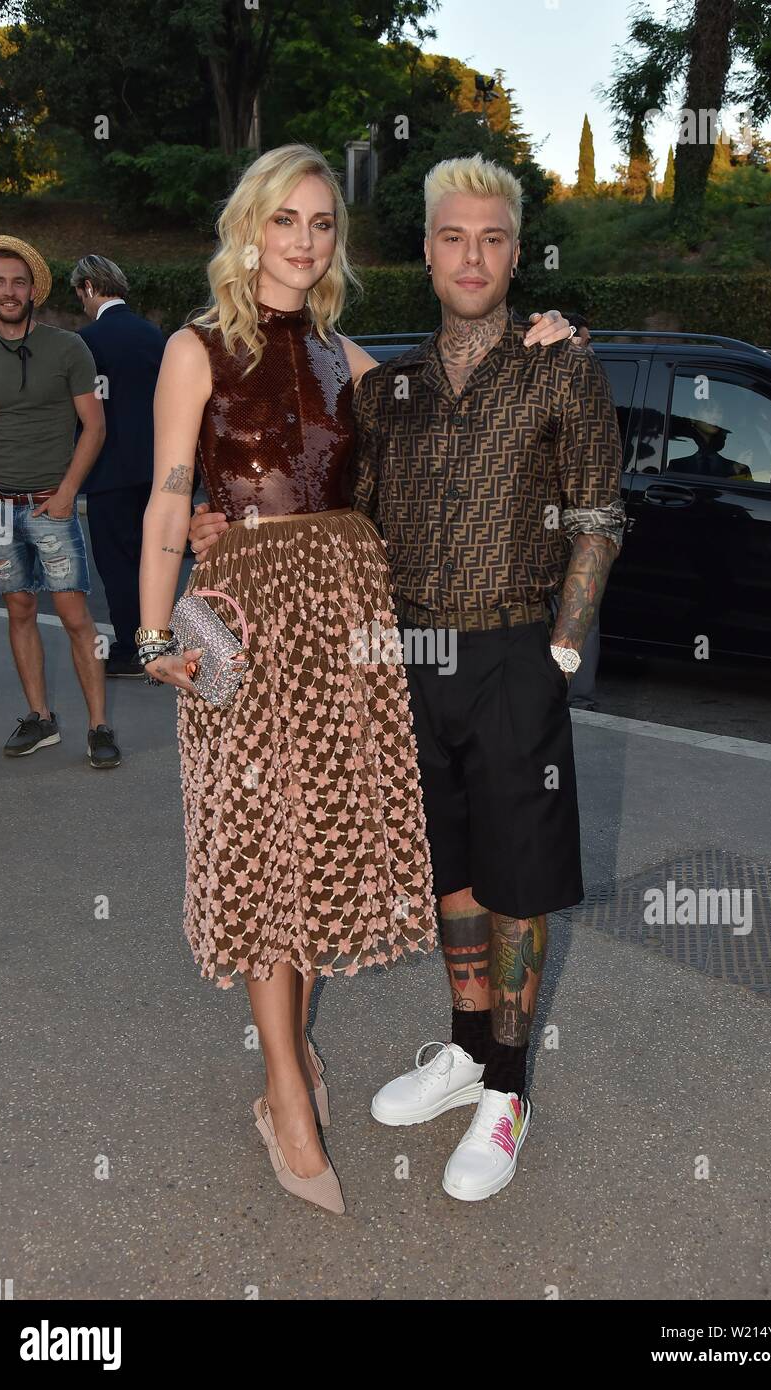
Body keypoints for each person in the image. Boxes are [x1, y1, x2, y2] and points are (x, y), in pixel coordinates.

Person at [189, 153, 623, 1203]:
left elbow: (598, 512)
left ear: (516, 253)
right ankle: (466, 1047)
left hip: (517, 649)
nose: (472, 256)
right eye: (451, 237)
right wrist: (227, 524)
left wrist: (564, 643)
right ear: (426, 252)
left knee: (520, 876)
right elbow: (345, 511)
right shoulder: (388, 386)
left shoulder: (561, 365)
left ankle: (508, 1089)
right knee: (452, 867)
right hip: (403, 655)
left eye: (492, 238)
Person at [0, 235, 122, 768]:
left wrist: (65, 494)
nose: (9, 291)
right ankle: (40, 718)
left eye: (18, 282)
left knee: (77, 617)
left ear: (33, 289)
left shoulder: (69, 347)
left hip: (49, 504)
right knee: (19, 609)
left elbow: (95, 426)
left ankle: (100, 727)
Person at [74, 254, 165, 676]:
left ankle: (132, 648)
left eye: (79, 293)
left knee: (117, 563)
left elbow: (79, 412)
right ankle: (159, 641)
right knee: (155, 557)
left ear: (90, 288)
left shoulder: (86, 340)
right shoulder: (155, 336)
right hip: (159, 469)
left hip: (108, 469)